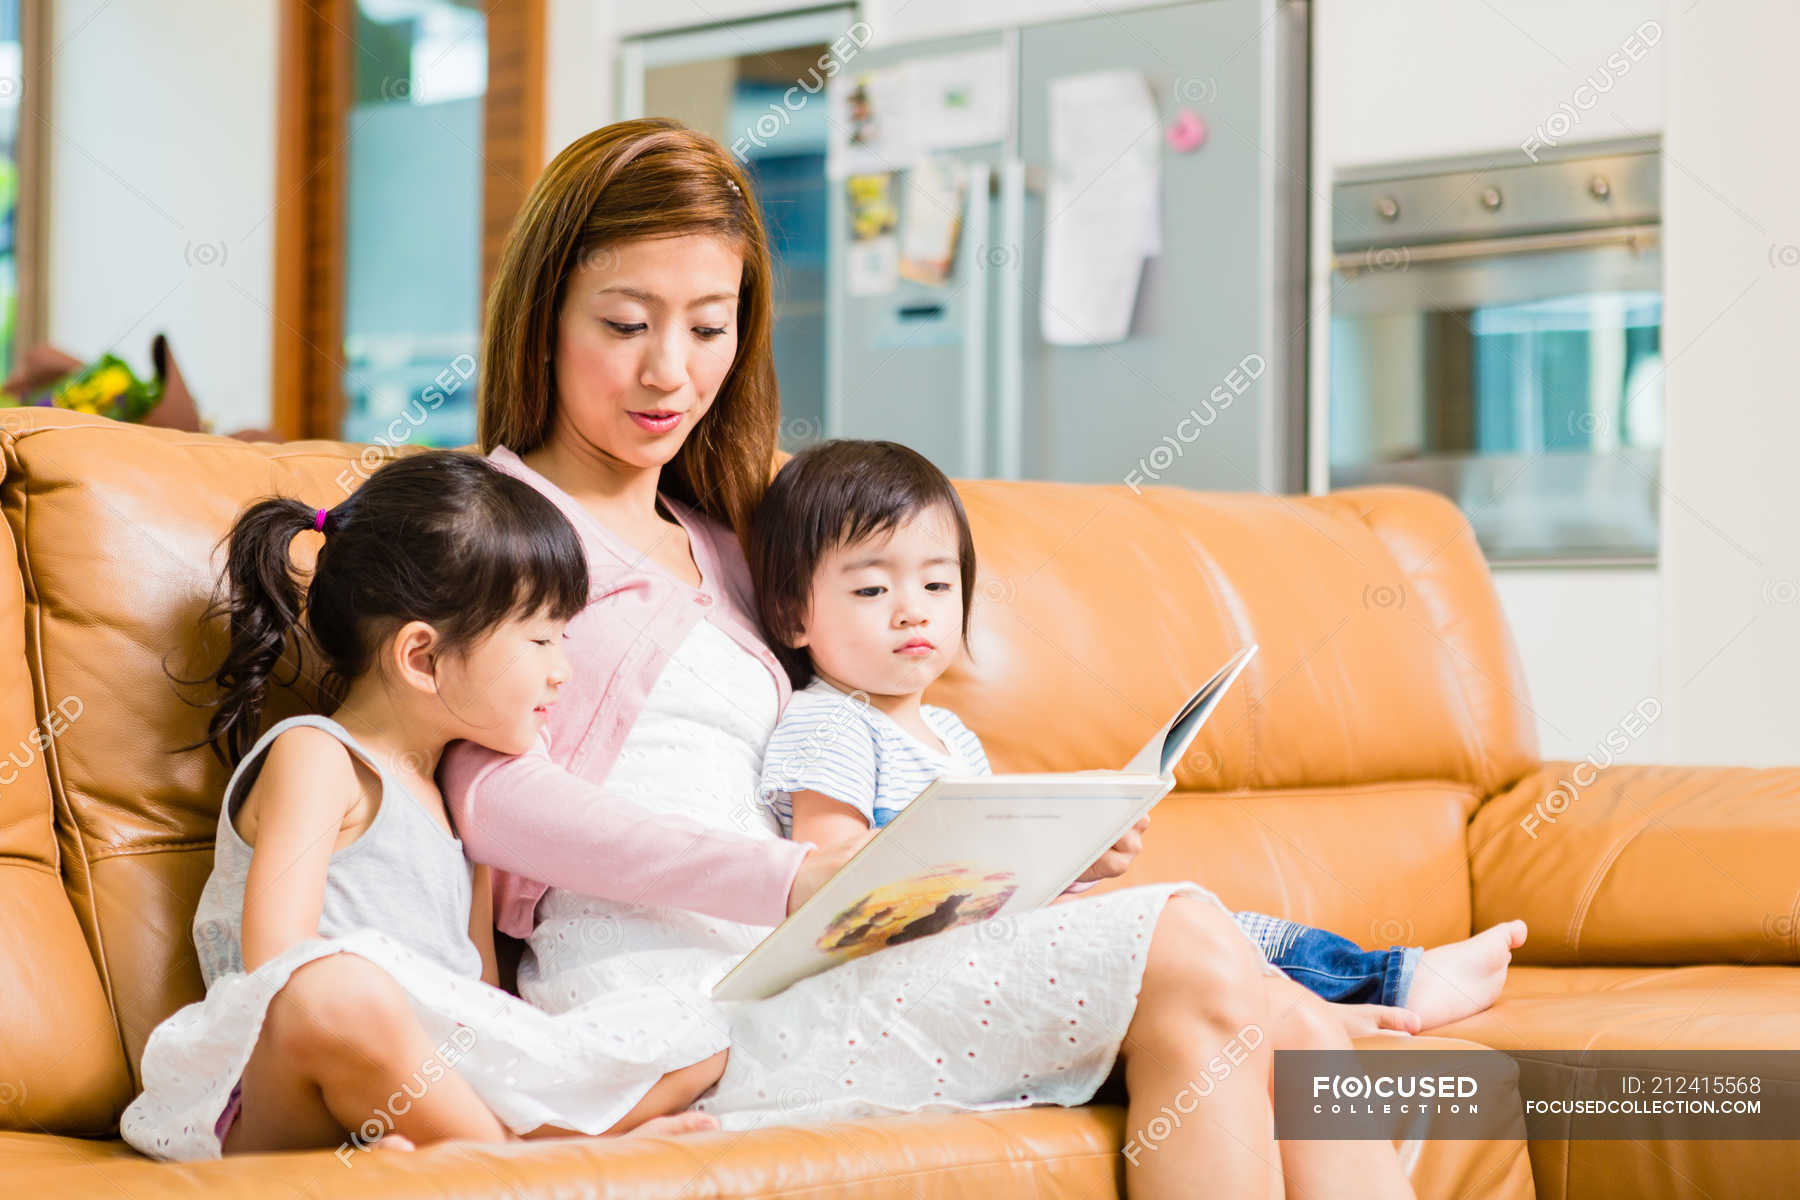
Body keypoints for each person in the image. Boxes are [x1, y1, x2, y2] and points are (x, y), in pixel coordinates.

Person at [442, 116, 1424, 1199]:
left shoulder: (736, 539)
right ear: (544, 319)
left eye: (709, 327)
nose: (670, 371)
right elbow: (487, 796)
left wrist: (1024, 863)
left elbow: (847, 777)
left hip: (814, 961)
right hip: (670, 1006)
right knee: (1192, 939)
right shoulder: (495, 531)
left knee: (1291, 1024)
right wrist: (797, 879)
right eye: (625, 323)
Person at [750, 438, 1528, 1033]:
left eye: (936, 583)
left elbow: (1006, 880)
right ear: (793, 615)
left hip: (993, 937)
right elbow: (832, 885)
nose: (912, 608)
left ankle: (1359, 991)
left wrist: (1077, 859)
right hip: (921, 977)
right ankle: (1366, 994)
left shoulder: (949, 730)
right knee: (1171, 929)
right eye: (872, 588)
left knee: (1207, 917)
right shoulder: (831, 723)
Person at [121, 452, 718, 1161]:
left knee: (701, 1039)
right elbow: (275, 970)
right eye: (540, 638)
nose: (564, 667)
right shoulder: (319, 759)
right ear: (422, 658)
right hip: (284, 1091)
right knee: (334, 989)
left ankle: (499, 1148)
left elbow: (484, 1010)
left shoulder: (468, 813)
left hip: (430, 1096)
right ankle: (531, 1162)